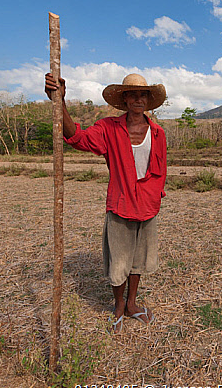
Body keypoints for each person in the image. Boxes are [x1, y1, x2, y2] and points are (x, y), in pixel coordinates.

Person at [45, 72, 168, 334]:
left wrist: (155, 195)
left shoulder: (158, 133)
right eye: (132, 94)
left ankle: (133, 304)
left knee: (139, 260)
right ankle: (118, 305)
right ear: (124, 99)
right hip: (121, 204)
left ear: (148, 99)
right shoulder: (109, 128)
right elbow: (75, 137)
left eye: (142, 94)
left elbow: (161, 170)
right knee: (119, 261)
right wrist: (60, 101)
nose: (138, 99)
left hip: (148, 206)